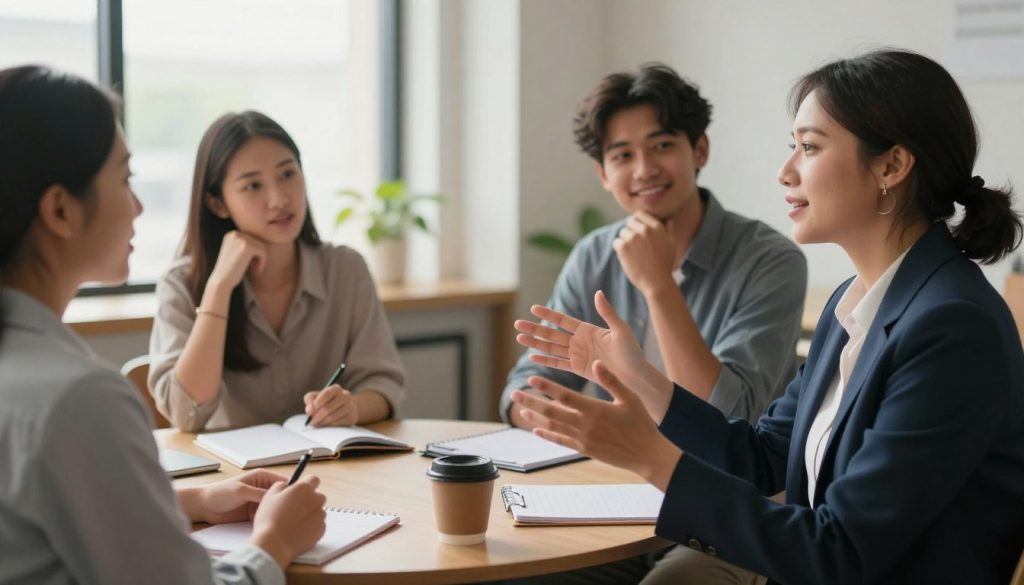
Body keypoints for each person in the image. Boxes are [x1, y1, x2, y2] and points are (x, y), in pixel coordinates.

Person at [512, 48, 1024, 584]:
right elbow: (760, 457)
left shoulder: (951, 327)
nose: (785, 172)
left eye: (809, 147)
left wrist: (650, 459)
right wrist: (640, 375)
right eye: (792, 147)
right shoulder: (855, 303)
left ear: (891, 166)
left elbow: (839, 554)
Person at [0, 65, 327, 585]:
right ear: (61, 210)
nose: (139, 206)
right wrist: (276, 541)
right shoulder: (78, 399)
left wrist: (195, 499)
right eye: (124, 179)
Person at [499, 63, 806, 585]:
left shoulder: (770, 260)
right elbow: (524, 387)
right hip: (609, 500)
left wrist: (657, 285)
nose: (643, 169)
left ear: (699, 151)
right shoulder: (593, 254)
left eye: (662, 145)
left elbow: (726, 417)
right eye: (621, 155)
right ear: (603, 173)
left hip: (726, 511)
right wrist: (549, 412)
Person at [148, 111, 405, 432]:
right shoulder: (182, 283)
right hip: (231, 477)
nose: (279, 199)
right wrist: (219, 288)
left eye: (287, 174)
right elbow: (185, 414)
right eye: (253, 185)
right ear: (218, 204)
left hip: (326, 470)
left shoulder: (345, 269)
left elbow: (384, 384)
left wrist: (351, 407)